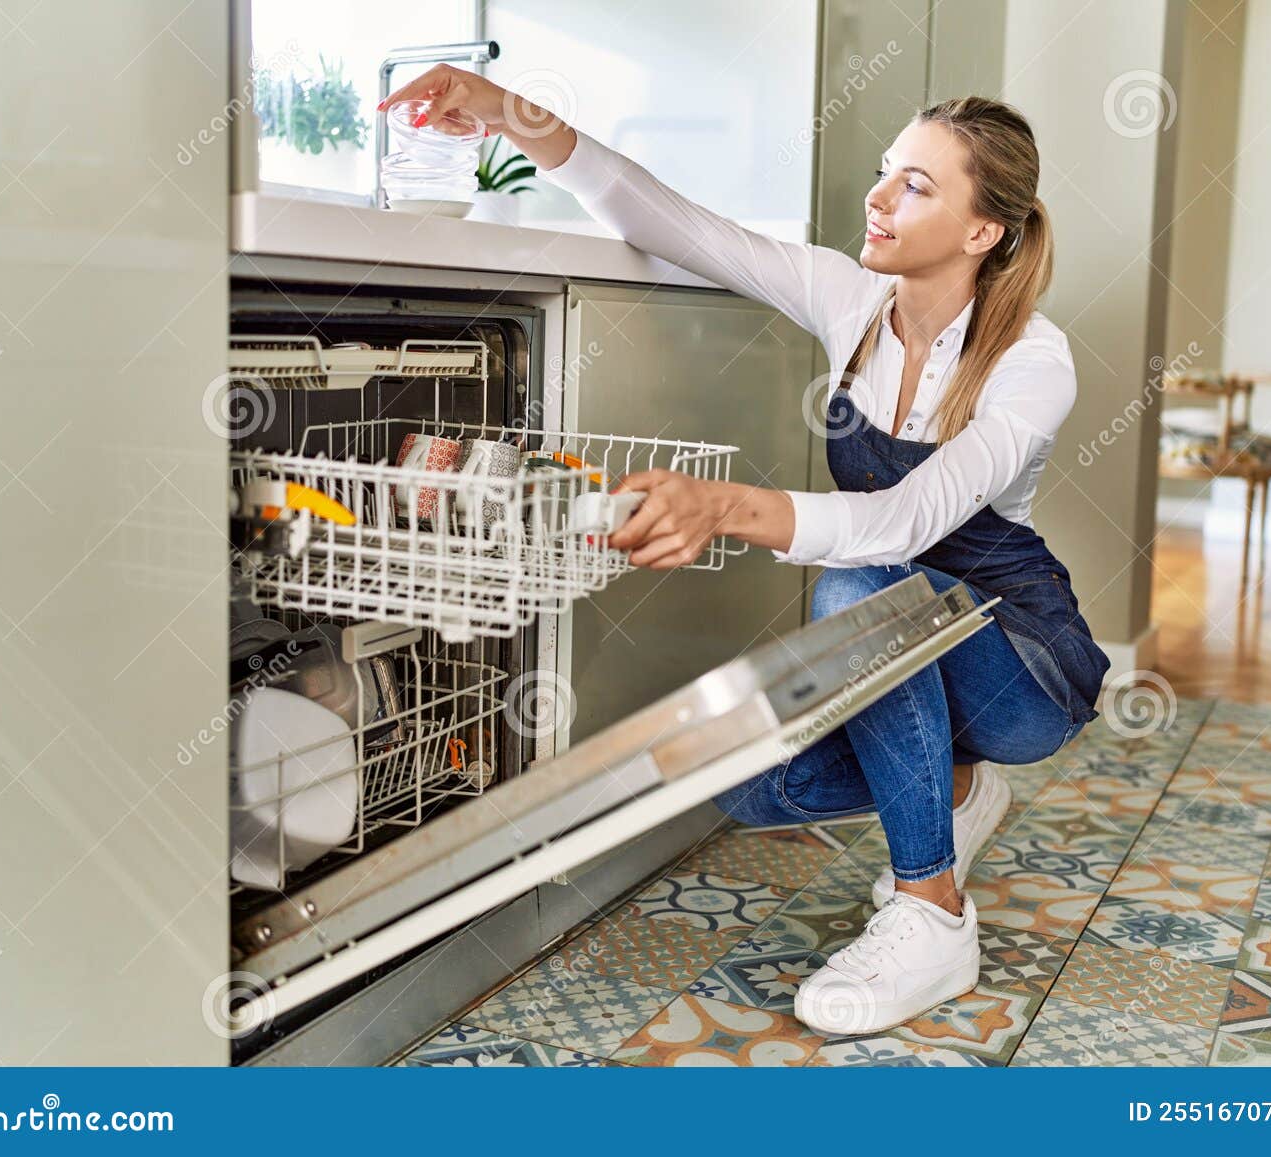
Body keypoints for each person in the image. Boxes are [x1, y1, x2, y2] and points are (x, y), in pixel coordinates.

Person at [381, 68, 1111, 1036]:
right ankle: (960, 786)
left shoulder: (1030, 359)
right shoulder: (852, 299)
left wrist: (722, 504)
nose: (879, 195)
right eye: (888, 171)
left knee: (861, 581)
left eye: (917, 185)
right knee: (749, 781)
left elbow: (899, 524)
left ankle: (929, 907)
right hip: (900, 633)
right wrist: (511, 113)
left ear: (982, 232)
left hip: (1018, 658)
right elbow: (670, 220)